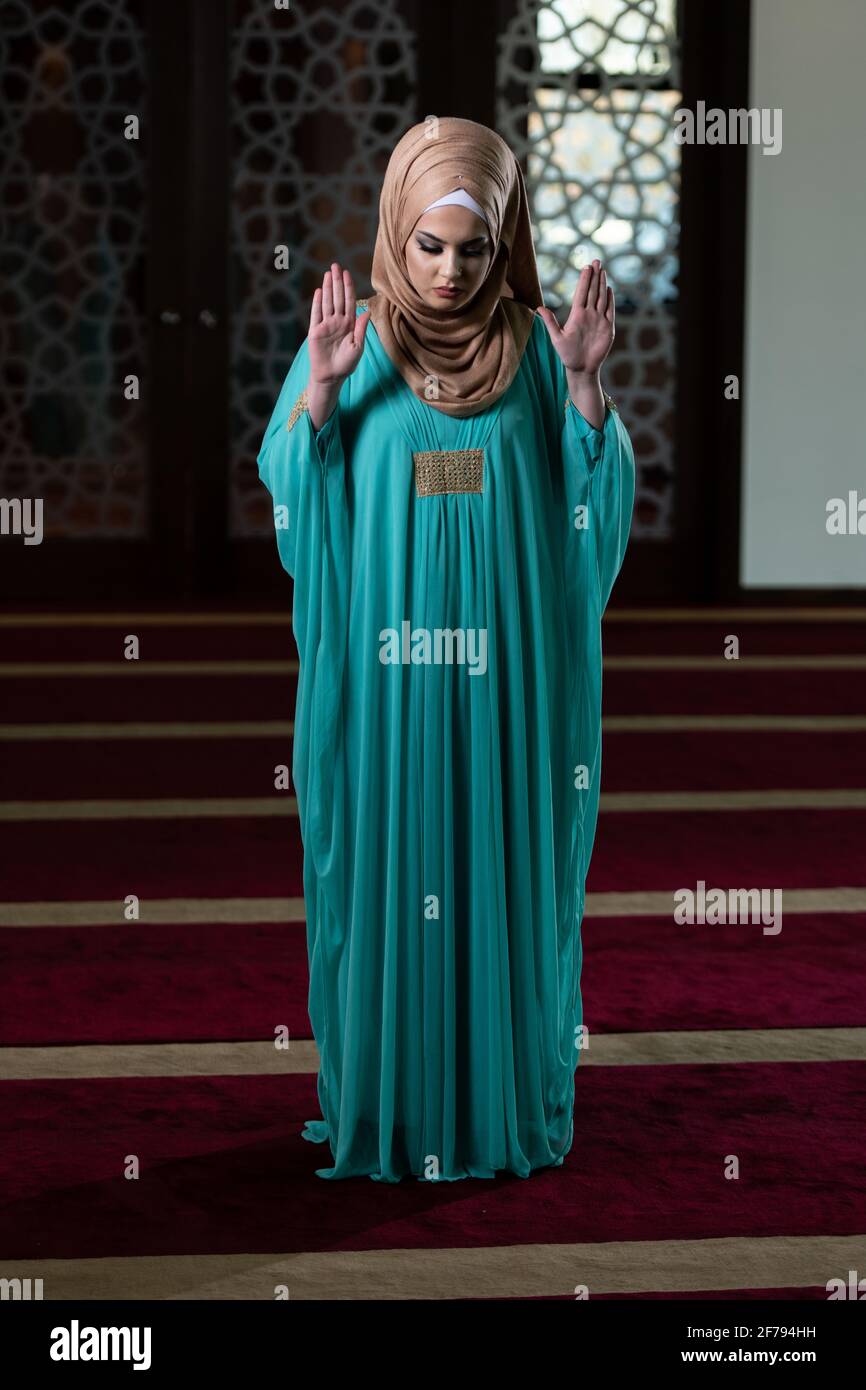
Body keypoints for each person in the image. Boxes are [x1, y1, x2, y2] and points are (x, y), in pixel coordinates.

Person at [257, 116, 635, 1182]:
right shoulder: (353, 342)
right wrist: (324, 394)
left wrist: (586, 392)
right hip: (387, 679)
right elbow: (295, 497)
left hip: (504, 685)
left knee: (499, 871)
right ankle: (390, 1104)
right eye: (427, 247)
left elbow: (588, 514)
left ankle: (495, 1102)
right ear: (394, 232)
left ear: (503, 240)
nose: (448, 271)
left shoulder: (533, 349)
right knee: (392, 871)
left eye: (472, 250)